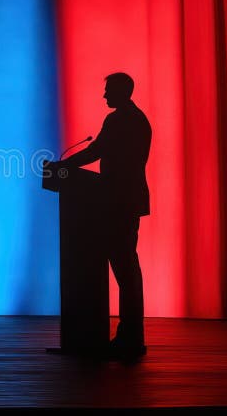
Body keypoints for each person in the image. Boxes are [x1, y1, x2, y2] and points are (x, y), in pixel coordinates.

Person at [57, 72, 151, 358]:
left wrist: (65, 166)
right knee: (128, 271)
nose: (104, 96)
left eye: (109, 90)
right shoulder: (138, 119)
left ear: (123, 91)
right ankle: (131, 335)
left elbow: (97, 150)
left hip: (118, 202)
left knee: (125, 270)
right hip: (127, 201)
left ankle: (129, 338)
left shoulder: (120, 119)